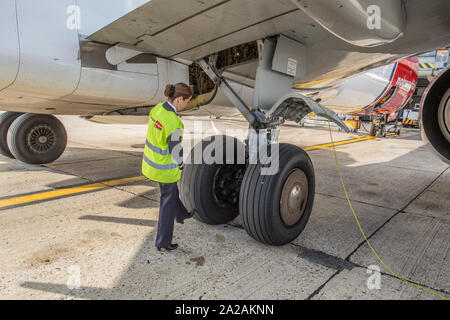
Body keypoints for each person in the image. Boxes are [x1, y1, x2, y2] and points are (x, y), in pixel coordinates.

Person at [142, 83, 195, 252]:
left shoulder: (157, 109)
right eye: (186, 101)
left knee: (170, 193)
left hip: (150, 162)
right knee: (167, 201)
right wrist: (181, 165)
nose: (186, 104)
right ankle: (163, 242)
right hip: (164, 169)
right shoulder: (175, 123)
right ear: (179, 99)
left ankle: (182, 214)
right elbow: (175, 150)